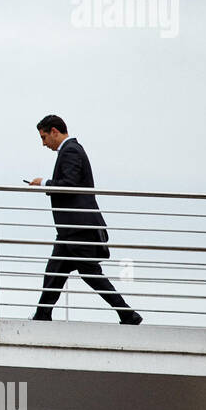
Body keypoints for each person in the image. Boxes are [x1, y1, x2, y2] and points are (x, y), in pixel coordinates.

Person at [27, 115, 142, 324]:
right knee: (55, 271)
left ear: (54, 131)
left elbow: (70, 184)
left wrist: (44, 182)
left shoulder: (70, 151)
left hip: (78, 228)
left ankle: (127, 313)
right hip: (72, 229)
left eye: (44, 137)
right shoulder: (72, 150)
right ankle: (42, 315)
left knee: (89, 273)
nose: (43, 143)